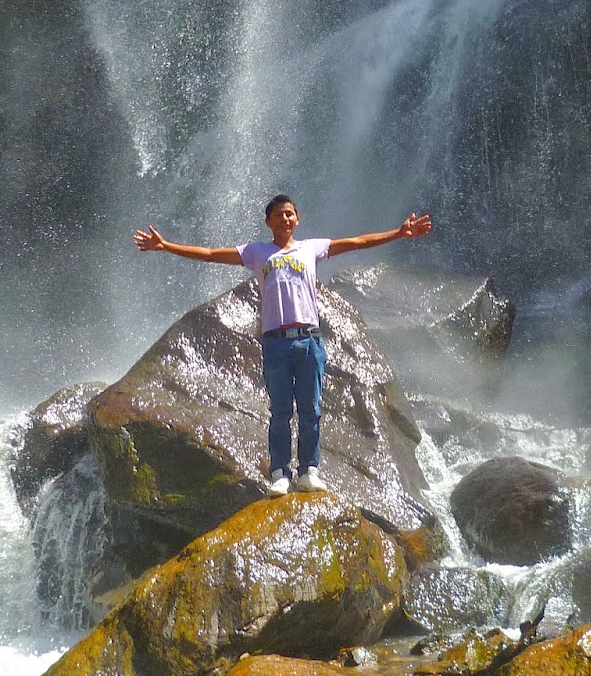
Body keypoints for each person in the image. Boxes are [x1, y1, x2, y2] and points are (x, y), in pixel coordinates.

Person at [133, 195, 432, 494]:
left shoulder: (311, 248)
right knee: (280, 411)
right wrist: (166, 246)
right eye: (278, 215)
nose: (285, 219)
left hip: (311, 340)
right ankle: (279, 472)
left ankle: (309, 471)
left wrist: (398, 232)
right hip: (276, 343)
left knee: (311, 410)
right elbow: (210, 254)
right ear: (268, 222)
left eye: (290, 214)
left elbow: (357, 242)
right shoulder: (256, 253)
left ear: (297, 219)